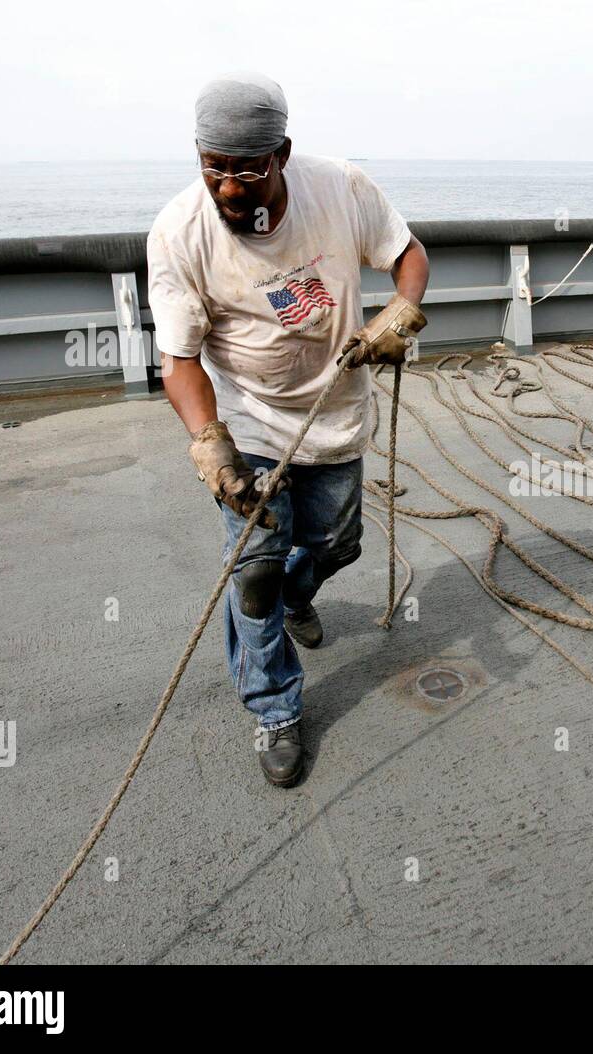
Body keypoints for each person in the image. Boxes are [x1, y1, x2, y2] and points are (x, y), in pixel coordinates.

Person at [147, 71, 430, 787]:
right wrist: (212, 445)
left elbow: (408, 256)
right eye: (216, 169)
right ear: (198, 158)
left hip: (334, 411)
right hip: (247, 421)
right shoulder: (180, 234)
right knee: (255, 575)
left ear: (283, 153)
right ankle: (274, 706)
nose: (232, 189)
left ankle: (305, 589)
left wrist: (398, 313)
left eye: (248, 169)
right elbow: (178, 360)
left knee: (338, 543)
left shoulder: (340, 188)